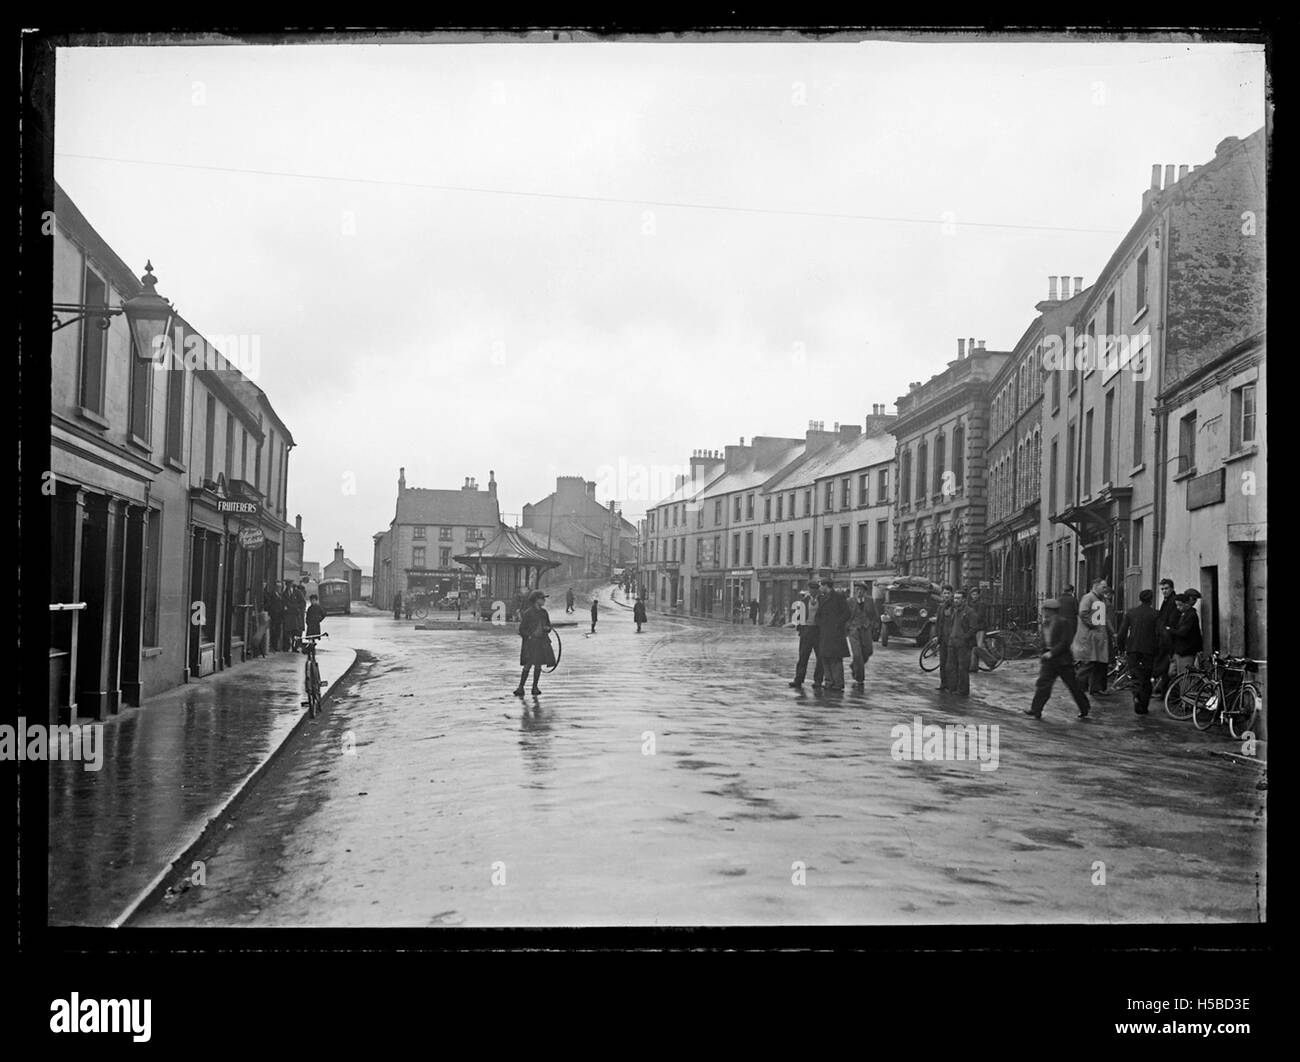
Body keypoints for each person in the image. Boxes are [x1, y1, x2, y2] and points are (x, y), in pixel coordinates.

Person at [1024, 599, 1091, 719]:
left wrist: (1052, 653)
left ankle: (1084, 707)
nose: (1043, 611)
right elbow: (1044, 640)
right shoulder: (1046, 623)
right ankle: (1036, 710)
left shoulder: (1063, 622)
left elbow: (1065, 641)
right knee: (1043, 685)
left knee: (1073, 686)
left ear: (1052, 611)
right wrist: (1043, 653)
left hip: (1063, 660)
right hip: (1049, 661)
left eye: (1045, 609)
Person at [1117, 588, 1159, 714]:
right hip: (1149, 650)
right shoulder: (1155, 614)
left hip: (1133, 649)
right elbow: (1161, 634)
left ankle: (1136, 694)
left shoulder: (1131, 613)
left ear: (1140, 599)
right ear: (1151, 599)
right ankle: (1144, 706)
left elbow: (1122, 633)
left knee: (1135, 675)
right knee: (1146, 677)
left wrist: (1121, 648)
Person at [1071, 577, 1110, 695]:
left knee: (1098, 663)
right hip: (1089, 637)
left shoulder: (1100, 599)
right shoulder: (1088, 598)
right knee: (1089, 663)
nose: (1105, 589)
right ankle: (1078, 687)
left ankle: (1095, 688)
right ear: (1095, 586)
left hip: (1098, 637)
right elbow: (1083, 613)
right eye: (1103, 587)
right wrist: (1094, 625)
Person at [513, 589, 555, 697]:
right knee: (528, 665)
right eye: (542, 598)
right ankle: (520, 687)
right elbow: (522, 629)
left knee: (538, 666)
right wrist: (529, 636)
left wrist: (547, 628)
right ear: (536, 600)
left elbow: (549, 626)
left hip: (541, 643)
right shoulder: (528, 613)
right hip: (531, 644)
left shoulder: (544, 613)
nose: (544, 601)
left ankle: (535, 687)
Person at [816, 577, 851, 691]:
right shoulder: (821, 598)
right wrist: (820, 623)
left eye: (821, 585)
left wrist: (837, 624)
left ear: (826, 585)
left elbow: (847, 613)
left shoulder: (838, 597)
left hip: (836, 633)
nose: (820, 588)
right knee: (825, 657)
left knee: (835, 659)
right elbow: (819, 614)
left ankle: (838, 683)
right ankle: (828, 682)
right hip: (825, 632)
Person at [788, 581, 824, 689]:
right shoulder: (803, 601)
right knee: (803, 657)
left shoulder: (823, 600)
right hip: (806, 631)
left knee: (820, 658)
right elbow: (797, 616)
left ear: (817, 590)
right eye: (811, 589)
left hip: (818, 631)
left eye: (815, 589)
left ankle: (818, 681)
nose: (813, 591)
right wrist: (800, 628)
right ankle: (798, 679)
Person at [846, 582, 878, 689]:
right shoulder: (849, 601)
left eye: (861, 590)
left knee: (868, 651)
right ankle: (859, 678)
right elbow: (845, 616)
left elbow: (874, 615)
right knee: (857, 654)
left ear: (865, 591)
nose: (858, 592)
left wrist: (873, 625)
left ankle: (854, 666)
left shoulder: (870, 601)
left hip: (866, 628)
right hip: (853, 630)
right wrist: (847, 627)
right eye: (857, 590)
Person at [945, 588, 977, 697]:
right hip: (952, 642)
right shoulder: (955, 610)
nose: (955, 600)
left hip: (963, 644)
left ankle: (963, 690)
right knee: (951, 667)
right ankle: (953, 688)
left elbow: (973, 628)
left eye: (958, 598)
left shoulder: (970, 612)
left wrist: (964, 638)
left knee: (963, 668)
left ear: (964, 600)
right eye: (955, 598)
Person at [1152, 578, 1178, 695]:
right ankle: (1162, 690)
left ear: (1172, 588)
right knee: (1164, 666)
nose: (1164, 591)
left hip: (1168, 638)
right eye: (1162, 589)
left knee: (1165, 666)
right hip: (1164, 637)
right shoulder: (1167, 600)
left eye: (1166, 588)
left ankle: (1164, 691)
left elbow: (1171, 621)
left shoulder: (1173, 601)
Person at [1171, 593, 1203, 678]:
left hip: (1186, 650)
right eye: (1177, 605)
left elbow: (1183, 632)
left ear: (1186, 604)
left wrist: (1170, 630)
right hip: (1180, 650)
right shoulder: (1183, 614)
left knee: (1184, 677)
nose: (1178, 608)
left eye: (1180, 605)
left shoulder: (1191, 615)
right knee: (1174, 673)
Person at [933, 584, 955, 692]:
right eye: (944, 593)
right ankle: (943, 683)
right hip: (943, 639)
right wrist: (936, 636)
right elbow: (938, 623)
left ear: (952, 594)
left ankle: (952, 685)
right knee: (942, 663)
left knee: (951, 664)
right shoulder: (941, 607)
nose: (946, 595)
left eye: (948, 593)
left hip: (952, 639)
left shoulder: (955, 607)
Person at [967, 586, 989, 672]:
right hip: (973, 628)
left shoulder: (981, 604)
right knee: (973, 647)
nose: (974, 596)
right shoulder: (970, 603)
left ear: (979, 595)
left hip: (980, 627)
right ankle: (973, 667)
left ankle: (991, 660)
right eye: (972, 594)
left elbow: (980, 616)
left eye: (976, 594)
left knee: (978, 647)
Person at [284, 581, 306, 652]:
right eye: (287, 585)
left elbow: (303, 602)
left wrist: (296, 607)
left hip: (296, 616)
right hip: (288, 615)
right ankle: (287, 646)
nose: (288, 587)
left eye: (290, 585)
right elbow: (284, 602)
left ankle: (295, 647)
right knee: (288, 631)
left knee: (296, 632)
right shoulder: (285, 593)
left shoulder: (298, 592)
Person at [266, 583, 284, 653]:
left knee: (278, 631)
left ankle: (276, 646)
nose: (279, 588)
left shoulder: (281, 595)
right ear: (275, 587)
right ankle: (273, 646)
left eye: (280, 587)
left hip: (279, 616)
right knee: (273, 630)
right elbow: (269, 604)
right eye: (278, 587)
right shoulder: (271, 595)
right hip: (274, 616)